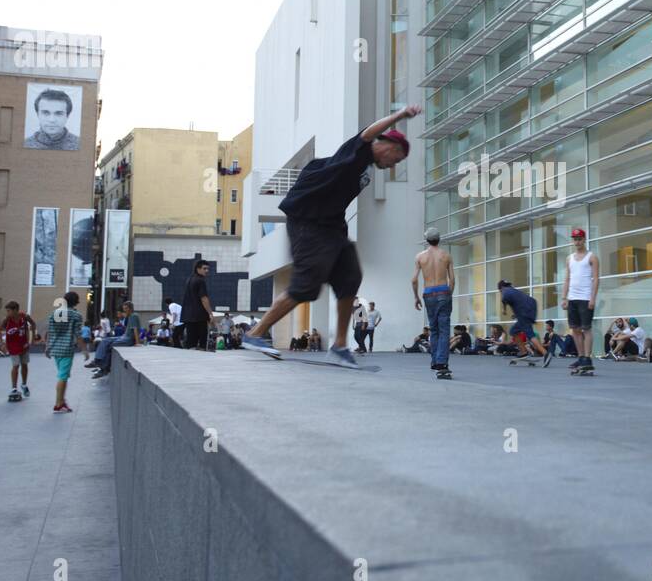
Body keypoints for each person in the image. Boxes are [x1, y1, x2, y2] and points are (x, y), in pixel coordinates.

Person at [241, 105, 419, 367]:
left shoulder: (365, 166)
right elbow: (369, 133)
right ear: (386, 144)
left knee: (350, 277)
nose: (395, 164)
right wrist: (400, 116)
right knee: (306, 285)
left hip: (332, 226)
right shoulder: (359, 151)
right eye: (397, 157)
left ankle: (339, 346)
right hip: (307, 220)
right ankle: (254, 334)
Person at [412, 228, 455, 377]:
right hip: (443, 291)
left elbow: (414, 279)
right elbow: (452, 279)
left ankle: (435, 361)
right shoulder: (446, 255)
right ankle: (441, 362)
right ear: (439, 239)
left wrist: (416, 297)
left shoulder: (420, 257)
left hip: (428, 292)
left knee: (434, 328)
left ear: (426, 240)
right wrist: (449, 294)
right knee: (444, 329)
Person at [561, 228, 600, 374]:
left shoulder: (592, 257)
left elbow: (596, 279)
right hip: (572, 298)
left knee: (586, 328)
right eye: (575, 239)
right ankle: (581, 356)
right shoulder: (569, 258)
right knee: (575, 329)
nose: (577, 241)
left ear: (584, 239)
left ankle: (587, 357)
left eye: (579, 239)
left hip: (585, 298)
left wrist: (593, 298)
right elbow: (567, 279)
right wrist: (564, 298)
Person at [45, 291, 87, 413]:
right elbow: (77, 334)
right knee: (63, 376)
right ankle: (58, 403)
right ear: (75, 302)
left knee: (62, 375)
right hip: (67, 349)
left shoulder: (55, 313)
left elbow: (50, 331)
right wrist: (84, 349)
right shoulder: (75, 315)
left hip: (55, 348)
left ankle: (62, 401)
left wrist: (47, 347)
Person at [498, 280, 547, 361]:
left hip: (525, 313)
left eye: (500, 291)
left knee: (530, 334)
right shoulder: (515, 291)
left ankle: (545, 353)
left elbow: (504, 298)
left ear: (501, 288)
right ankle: (523, 352)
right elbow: (521, 303)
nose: (501, 292)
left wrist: (504, 309)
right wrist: (516, 314)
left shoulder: (506, 291)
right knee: (514, 331)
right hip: (530, 309)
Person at [0, 301, 37, 400]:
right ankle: (14, 388)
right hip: (12, 345)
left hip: (23, 344)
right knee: (15, 365)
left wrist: (32, 339)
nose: (7, 312)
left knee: (24, 365)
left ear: (15, 310)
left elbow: (33, 324)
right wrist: (2, 342)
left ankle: (24, 384)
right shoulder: (7, 319)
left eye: (8, 310)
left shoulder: (24, 316)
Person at [91, 301, 141, 378]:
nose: (125, 311)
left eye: (126, 309)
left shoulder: (134, 316)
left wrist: (137, 342)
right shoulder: (130, 316)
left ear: (130, 308)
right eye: (124, 309)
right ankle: (97, 360)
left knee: (110, 345)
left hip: (128, 339)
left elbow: (135, 330)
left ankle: (104, 369)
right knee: (105, 340)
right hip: (123, 337)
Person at [180, 261, 213, 350]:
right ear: (198, 269)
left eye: (208, 269)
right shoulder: (200, 281)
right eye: (204, 268)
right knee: (202, 342)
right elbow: (204, 299)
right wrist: (210, 313)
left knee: (191, 342)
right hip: (199, 315)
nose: (207, 271)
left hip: (188, 315)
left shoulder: (189, 279)